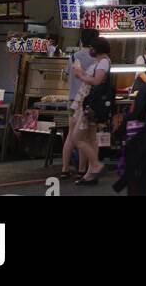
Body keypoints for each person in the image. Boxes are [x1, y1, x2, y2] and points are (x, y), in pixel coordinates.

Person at [70, 37, 112, 185]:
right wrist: (82, 74)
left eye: (92, 48)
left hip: (91, 106)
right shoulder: (100, 62)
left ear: (96, 49)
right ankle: (90, 174)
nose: (90, 51)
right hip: (90, 104)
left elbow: (97, 81)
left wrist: (81, 75)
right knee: (90, 139)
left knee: (78, 138)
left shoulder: (103, 62)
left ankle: (96, 165)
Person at [60, 29, 98, 179]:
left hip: (72, 101)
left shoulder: (74, 56)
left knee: (71, 135)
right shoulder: (96, 59)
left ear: (81, 40)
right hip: (88, 101)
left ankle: (64, 168)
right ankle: (82, 169)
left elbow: (68, 76)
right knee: (85, 136)